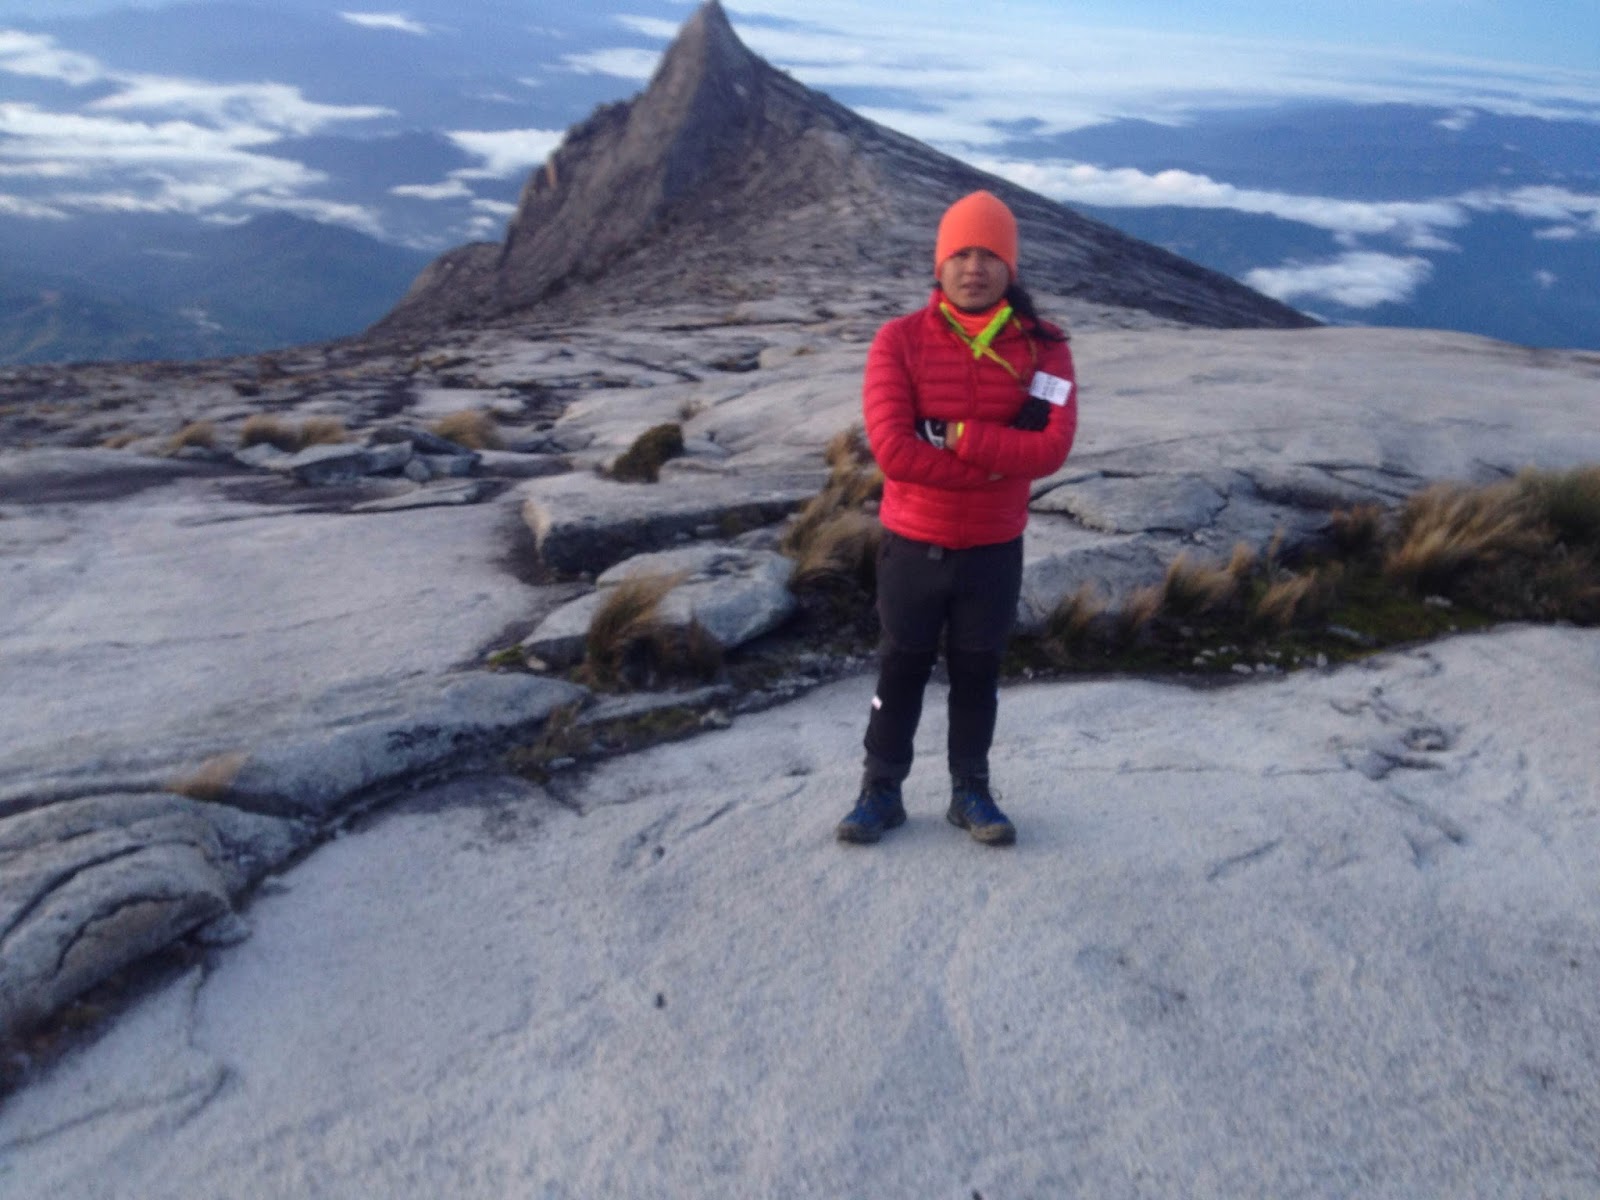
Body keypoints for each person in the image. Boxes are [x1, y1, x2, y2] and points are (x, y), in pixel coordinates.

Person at [836, 189, 1078, 847]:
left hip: (993, 549)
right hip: (914, 546)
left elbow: (1052, 449)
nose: (975, 266)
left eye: (991, 254)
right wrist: (1003, 461)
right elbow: (893, 451)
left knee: (978, 674)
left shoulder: (1045, 349)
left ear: (1011, 268)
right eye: (961, 253)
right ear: (938, 266)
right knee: (900, 669)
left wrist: (954, 434)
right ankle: (879, 792)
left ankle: (971, 792)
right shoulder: (899, 341)